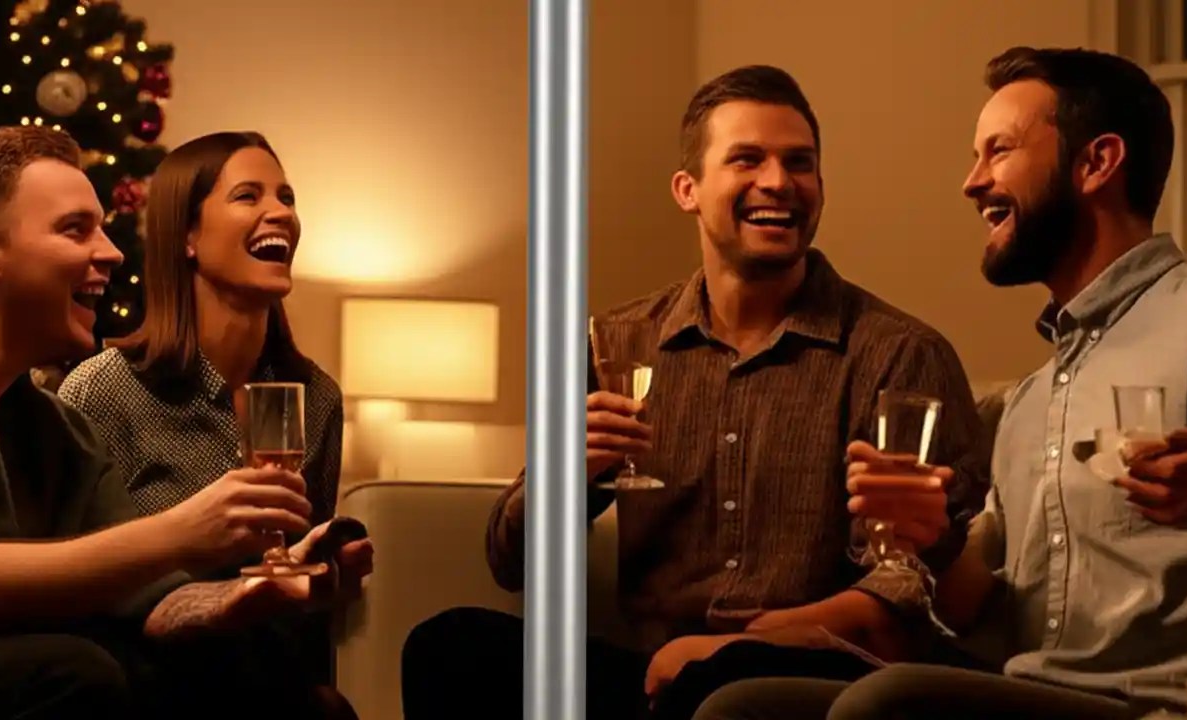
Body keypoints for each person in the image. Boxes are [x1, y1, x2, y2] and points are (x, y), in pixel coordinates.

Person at [400, 64, 991, 720]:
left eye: (800, 163)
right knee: (448, 645)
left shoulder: (899, 354)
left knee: (725, 682)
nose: (778, 182)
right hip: (654, 671)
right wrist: (567, 475)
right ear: (688, 189)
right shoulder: (620, 343)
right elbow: (510, 562)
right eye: (747, 159)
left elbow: (910, 590)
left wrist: (727, 646)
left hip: (806, 676)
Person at [692, 46, 1187, 720]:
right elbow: (986, 614)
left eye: (999, 150)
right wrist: (933, 538)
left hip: (1157, 707)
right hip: (1033, 696)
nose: (972, 181)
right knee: (742, 705)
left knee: (887, 702)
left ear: (1096, 163)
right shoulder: (1032, 399)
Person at [0, 125, 361, 720]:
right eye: (75, 230)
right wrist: (184, 530)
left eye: (102, 227)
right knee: (75, 670)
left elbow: (152, 601)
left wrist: (260, 592)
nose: (113, 251)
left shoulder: (55, 428)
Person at [56, 131, 368, 717]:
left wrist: (326, 569)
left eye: (287, 197)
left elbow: (302, 591)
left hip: (273, 671)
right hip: (144, 676)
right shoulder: (104, 389)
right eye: (248, 196)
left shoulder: (317, 397)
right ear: (189, 237)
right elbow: (82, 586)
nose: (281, 212)